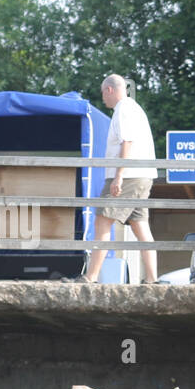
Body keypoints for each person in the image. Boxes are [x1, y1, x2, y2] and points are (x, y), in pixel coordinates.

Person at [77, 74, 160, 283]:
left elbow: (127, 142)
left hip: (129, 175)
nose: (103, 99)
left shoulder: (124, 109)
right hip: (142, 175)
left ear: (109, 90)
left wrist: (118, 176)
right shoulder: (134, 108)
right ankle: (152, 279)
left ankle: (91, 277)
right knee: (140, 225)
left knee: (102, 222)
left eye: (103, 93)